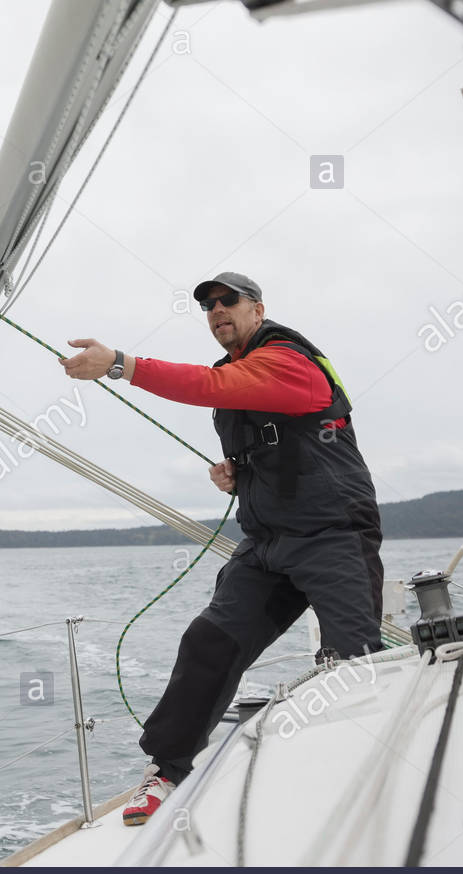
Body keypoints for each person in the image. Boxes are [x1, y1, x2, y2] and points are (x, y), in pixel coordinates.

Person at [59, 271, 385, 825]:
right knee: (208, 642)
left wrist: (119, 364)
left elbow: (212, 389)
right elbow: (273, 435)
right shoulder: (238, 370)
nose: (216, 311)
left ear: (258, 309)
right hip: (267, 542)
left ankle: (372, 776)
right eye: (208, 305)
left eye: (227, 301)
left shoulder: (288, 360)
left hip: (332, 535)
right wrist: (240, 473)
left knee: (351, 665)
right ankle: (167, 768)